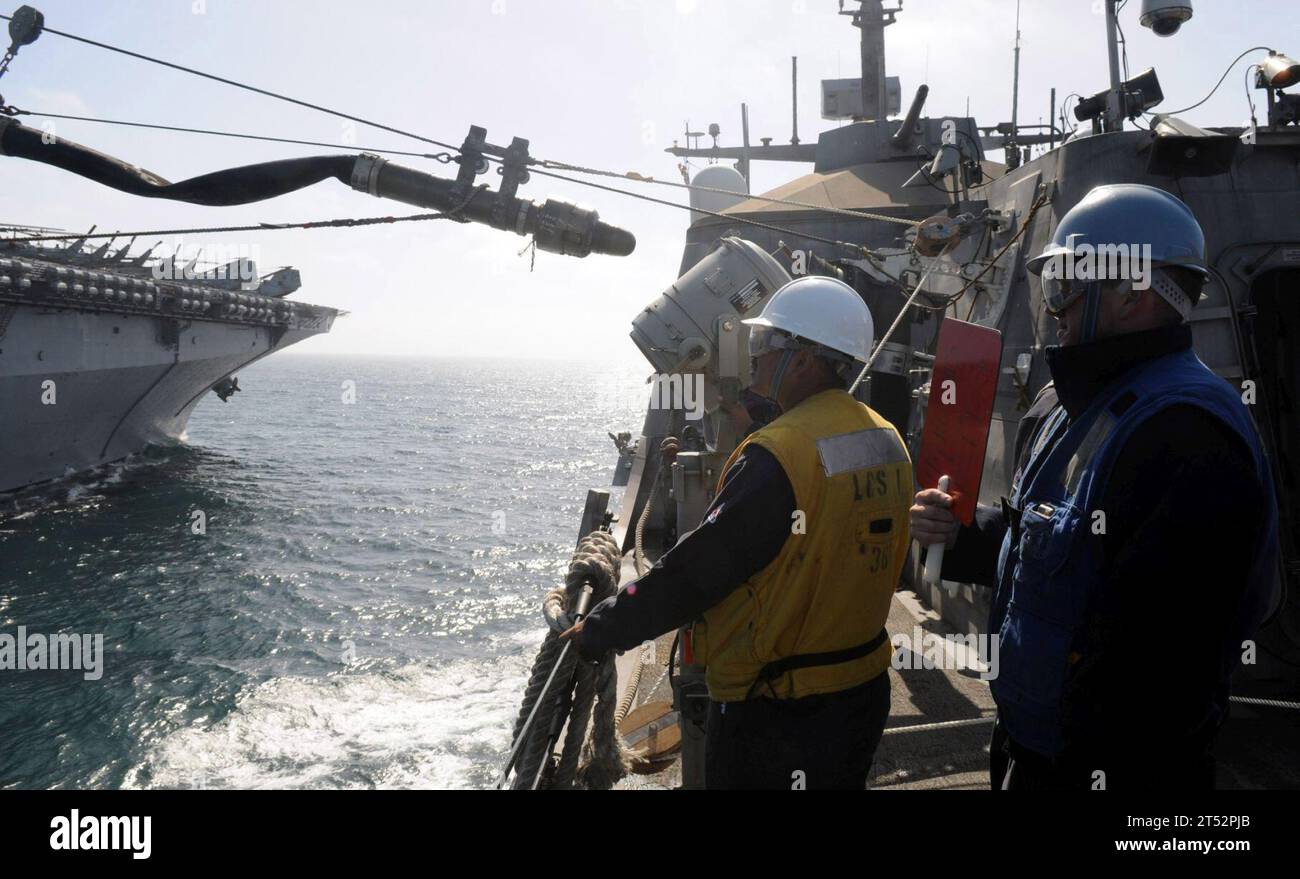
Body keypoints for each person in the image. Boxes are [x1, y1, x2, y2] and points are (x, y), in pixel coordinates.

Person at [910, 183, 1280, 790]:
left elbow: (1158, 661)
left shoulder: (1185, 433)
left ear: (1132, 293)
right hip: (1032, 747)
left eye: (1065, 285)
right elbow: (1052, 547)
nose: (1052, 307)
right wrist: (961, 533)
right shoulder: (1064, 406)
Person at [563, 275, 912, 789]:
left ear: (805, 360)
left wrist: (604, 628)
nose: (757, 357)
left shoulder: (781, 452)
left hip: (780, 711)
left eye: (768, 342)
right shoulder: (886, 438)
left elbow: (699, 571)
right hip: (858, 693)